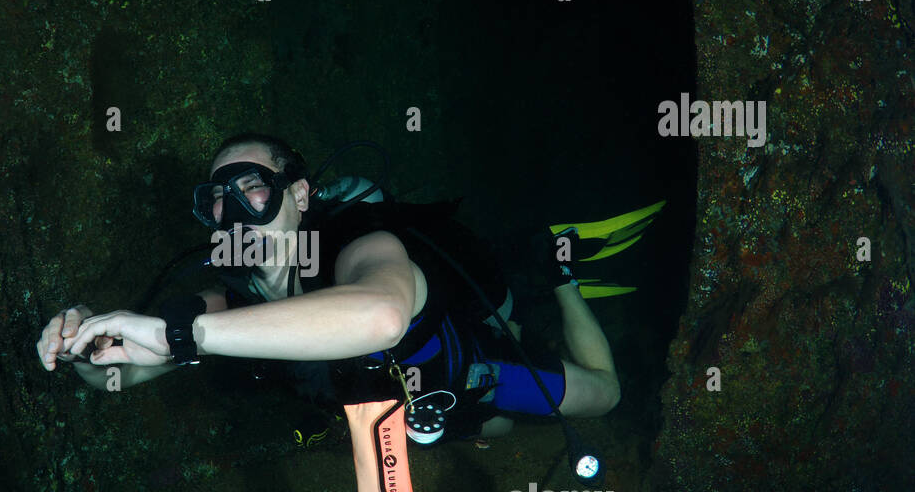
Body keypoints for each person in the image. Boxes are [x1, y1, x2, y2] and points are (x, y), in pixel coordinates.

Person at [38, 133, 658, 443]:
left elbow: (383, 314)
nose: (234, 212)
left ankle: (559, 275)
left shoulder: (358, 240)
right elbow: (121, 377)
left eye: (252, 188)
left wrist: (182, 333)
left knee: (602, 395)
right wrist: (87, 351)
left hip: (465, 369)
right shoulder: (228, 299)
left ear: (299, 196)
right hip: (396, 413)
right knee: (491, 436)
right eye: (217, 200)